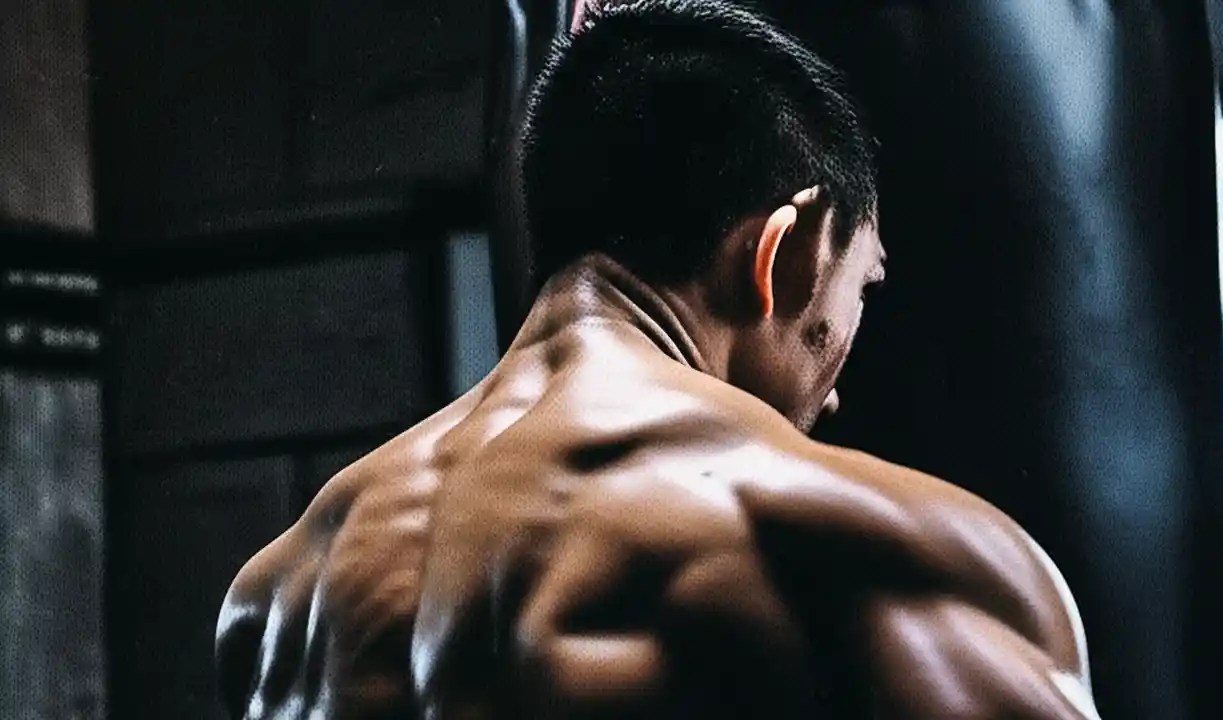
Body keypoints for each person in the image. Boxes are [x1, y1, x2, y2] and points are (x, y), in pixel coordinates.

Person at [216, 1, 1099, 717]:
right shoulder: (859, 546)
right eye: (858, 290)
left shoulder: (279, 596)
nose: (831, 400)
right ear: (786, 249)